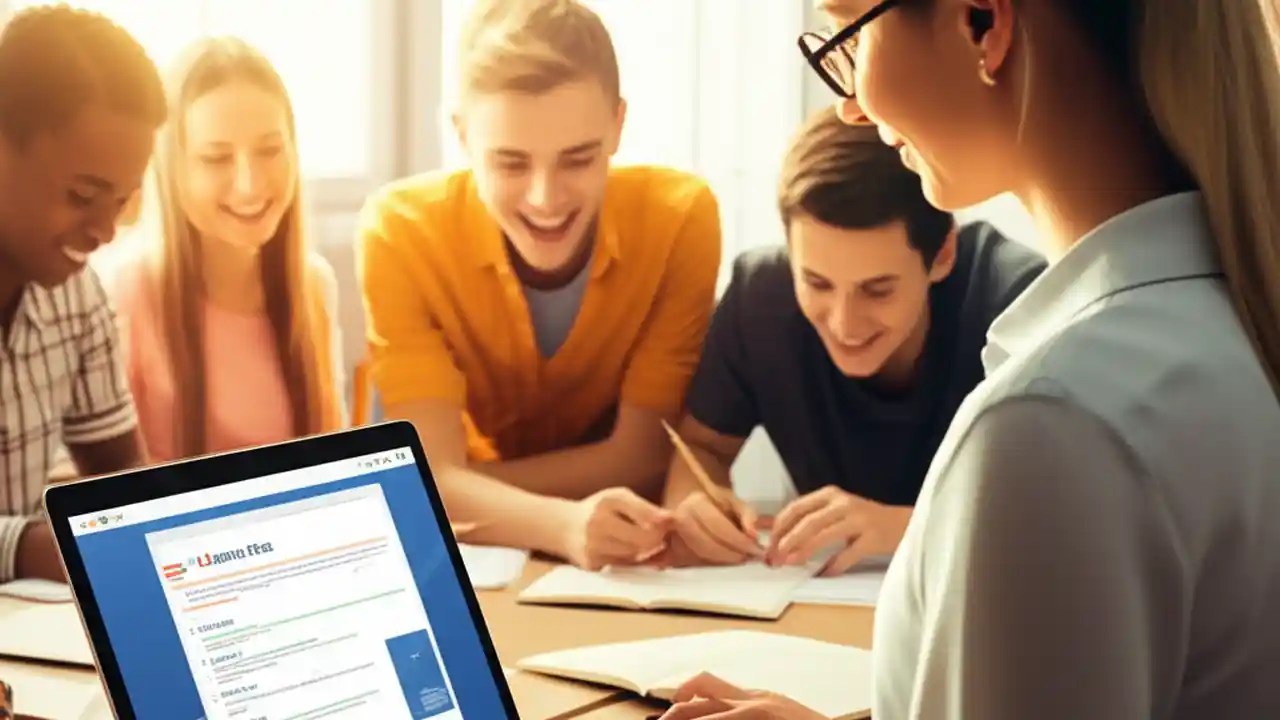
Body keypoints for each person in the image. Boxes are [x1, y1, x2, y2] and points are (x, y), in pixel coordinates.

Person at [661, 0, 1280, 718]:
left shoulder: (1054, 424)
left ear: (982, 22)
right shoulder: (1211, 320)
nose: (852, 106)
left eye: (850, 36)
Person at [356, 0, 721, 570]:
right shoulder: (400, 230)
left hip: (625, 555)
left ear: (618, 126)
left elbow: (646, 455)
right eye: (510, 163)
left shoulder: (680, 219)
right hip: (477, 557)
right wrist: (562, 523)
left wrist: (454, 485)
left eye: (578, 159)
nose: (545, 198)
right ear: (461, 135)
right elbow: (427, 476)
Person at [659, 106, 1044, 575]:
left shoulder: (1020, 306)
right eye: (816, 284)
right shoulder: (759, 298)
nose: (844, 324)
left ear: (942, 254)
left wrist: (905, 527)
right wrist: (694, 502)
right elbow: (703, 449)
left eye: (877, 289)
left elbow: (1063, 513)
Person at [105, 37, 347, 464]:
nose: (250, 184)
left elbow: (336, 464)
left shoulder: (312, 284)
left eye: (271, 151)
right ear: (171, 169)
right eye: (216, 159)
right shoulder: (124, 293)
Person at [0, 6, 165, 583]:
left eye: (119, 201)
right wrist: (28, 547)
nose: (104, 232)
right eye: (81, 194)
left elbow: (121, 476)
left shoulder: (74, 292)